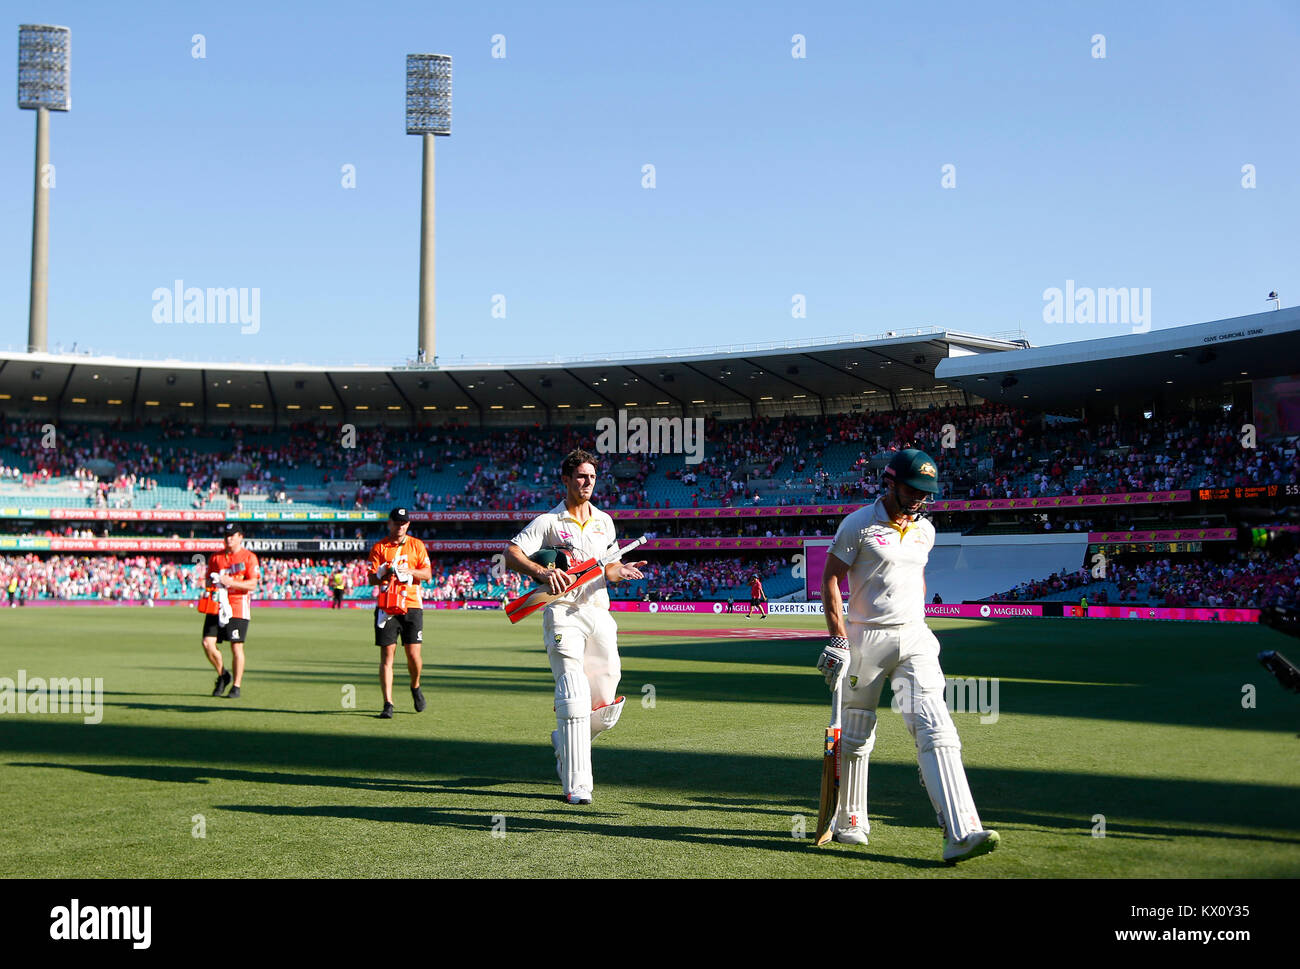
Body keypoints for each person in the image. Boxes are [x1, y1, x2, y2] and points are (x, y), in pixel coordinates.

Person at [816, 448, 999, 863]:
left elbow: (916, 577)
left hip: (915, 637)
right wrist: (838, 639)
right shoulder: (858, 525)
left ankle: (962, 832)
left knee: (937, 728)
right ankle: (851, 820)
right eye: (912, 489)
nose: (919, 498)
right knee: (857, 734)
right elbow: (830, 578)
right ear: (891, 483)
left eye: (926, 493)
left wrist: (915, 620)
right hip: (866, 638)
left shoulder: (925, 531)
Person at [504, 448, 646, 805]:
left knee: (607, 705)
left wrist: (620, 570)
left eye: (592, 477)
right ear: (566, 480)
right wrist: (541, 572)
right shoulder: (548, 522)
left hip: (599, 611)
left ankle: (565, 740)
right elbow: (511, 554)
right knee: (572, 692)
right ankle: (578, 785)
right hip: (562, 611)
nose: (588, 483)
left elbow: (608, 567)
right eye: (581, 477)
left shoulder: (605, 521)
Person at [367, 508, 433, 719]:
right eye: (396, 523)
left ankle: (415, 685)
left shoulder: (417, 545)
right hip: (386, 606)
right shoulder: (379, 547)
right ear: (389, 523)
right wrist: (383, 572)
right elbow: (371, 579)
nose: (400, 527)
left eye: (404, 523)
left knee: (413, 655)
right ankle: (388, 703)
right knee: (387, 656)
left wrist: (409, 572)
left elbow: (428, 574)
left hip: (412, 604)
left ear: (408, 524)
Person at [197, 524, 260, 699]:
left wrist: (230, 582)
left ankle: (236, 686)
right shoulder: (216, 557)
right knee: (207, 643)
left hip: (238, 606)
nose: (228, 539)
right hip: (217, 605)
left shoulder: (249, 558)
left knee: (236, 646)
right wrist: (209, 583)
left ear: (241, 537)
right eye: (226, 535)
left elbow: (252, 584)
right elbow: (209, 580)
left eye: (232, 535)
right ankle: (223, 674)